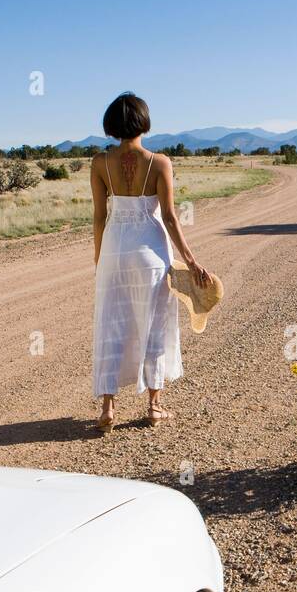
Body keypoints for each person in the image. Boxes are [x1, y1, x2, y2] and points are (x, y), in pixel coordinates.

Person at [90, 92, 210, 429]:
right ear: (144, 121)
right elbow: (170, 217)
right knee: (154, 324)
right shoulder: (160, 162)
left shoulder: (100, 163)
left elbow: (99, 217)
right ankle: (154, 407)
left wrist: (100, 260)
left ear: (111, 124)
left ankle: (108, 409)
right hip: (151, 252)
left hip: (114, 249)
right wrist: (191, 259)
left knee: (111, 324)